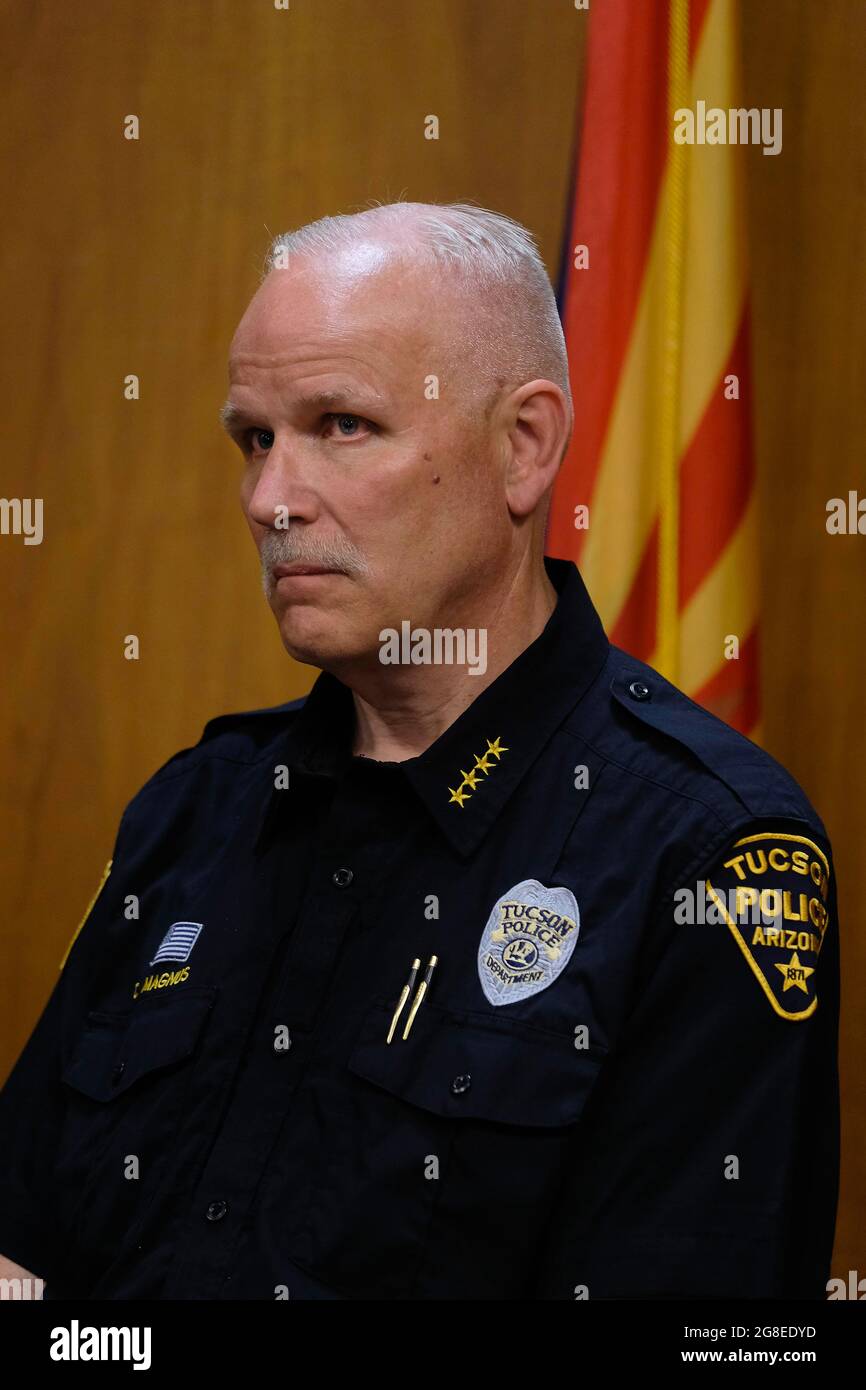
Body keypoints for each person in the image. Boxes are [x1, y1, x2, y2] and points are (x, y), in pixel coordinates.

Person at [0, 202, 839, 1300]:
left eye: (341, 425)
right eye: (254, 437)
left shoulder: (706, 854)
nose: (271, 501)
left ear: (522, 447)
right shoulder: (195, 809)